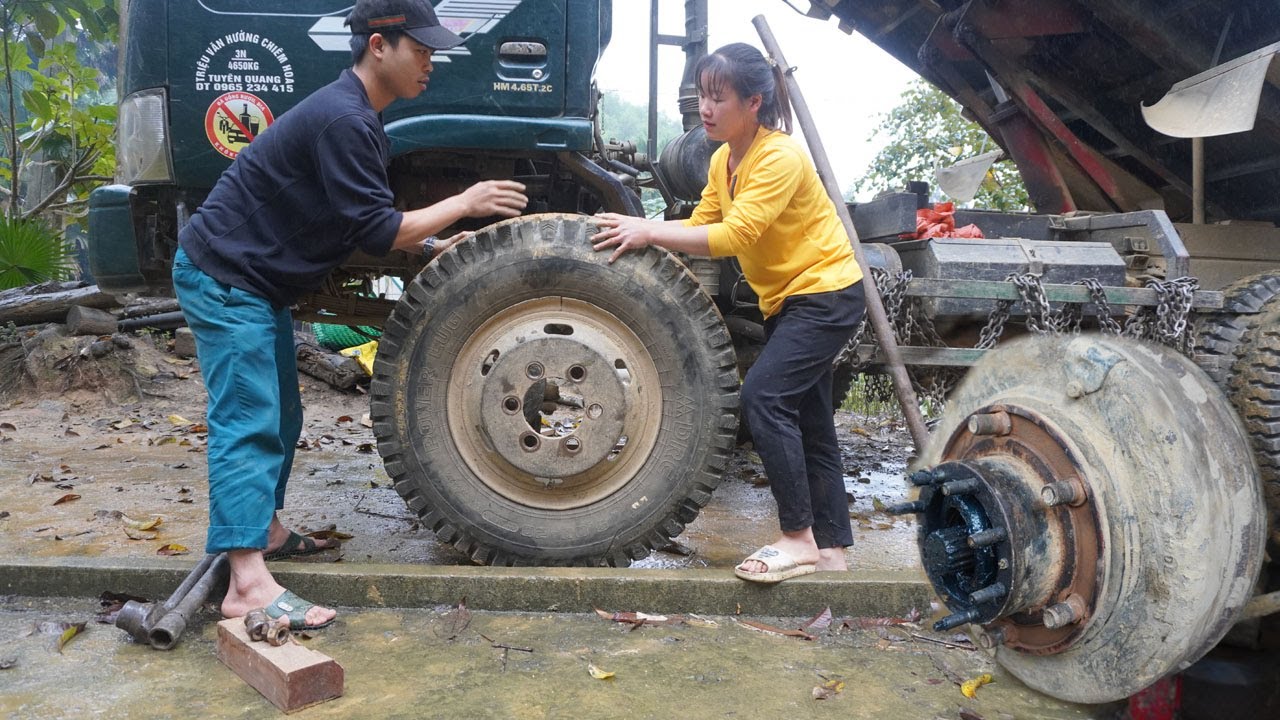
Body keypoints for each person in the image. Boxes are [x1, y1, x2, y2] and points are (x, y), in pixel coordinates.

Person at [172, 0, 528, 630]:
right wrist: (464, 202)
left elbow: (355, 216)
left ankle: (266, 531)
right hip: (226, 276)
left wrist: (429, 242)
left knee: (281, 411)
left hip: (253, 281)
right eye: (421, 50)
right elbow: (374, 224)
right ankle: (246, 585)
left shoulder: (356, 115)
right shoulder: (343, 118)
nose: (430, 63)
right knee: (248, 417)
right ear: (378, 44)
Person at [591, 42, 865, 583]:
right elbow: (702, 222)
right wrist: (643, 234)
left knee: (763, 398)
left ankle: (797, 539)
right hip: (788, 299)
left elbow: (736, 234)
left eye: (719, 98)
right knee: (811, 421)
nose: (706, 108)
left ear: (754, 102)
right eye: (702, 96)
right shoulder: (724, 160)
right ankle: (832, 549)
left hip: (826, 294)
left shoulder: (779, 157)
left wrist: (646, 230)